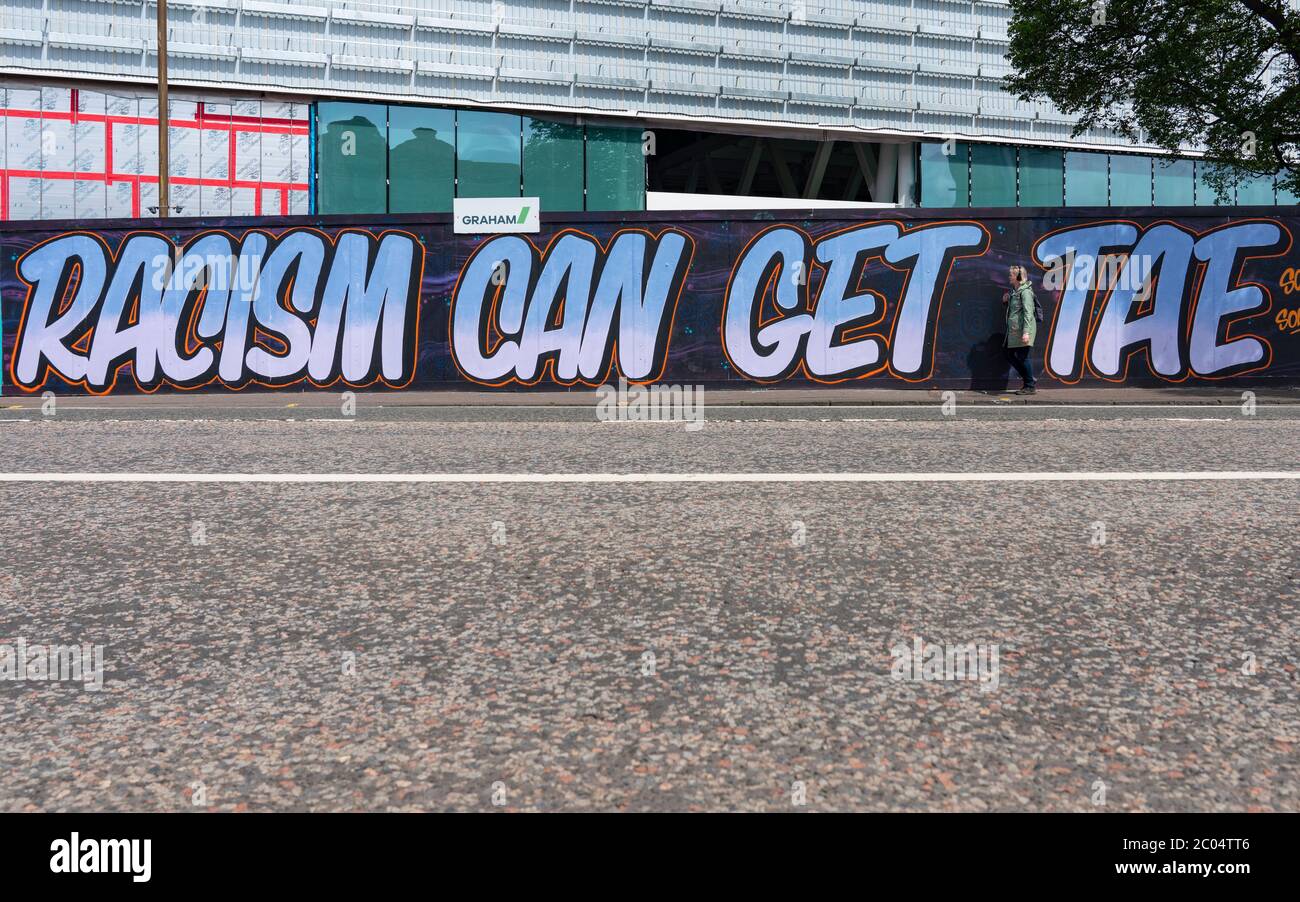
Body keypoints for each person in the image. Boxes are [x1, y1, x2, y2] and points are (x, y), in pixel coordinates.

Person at [1003, 265, 1037, 395]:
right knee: (1008, 354)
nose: (1009, 277)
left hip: (1023, 330)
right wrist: (1007, 299)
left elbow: (1029, 313)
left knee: (1023, 357)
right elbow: (1015, 309)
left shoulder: (1026, 292)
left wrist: (1026, 332)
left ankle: (1029, 385)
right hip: (1014, 330)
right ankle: (1029, 380)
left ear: (1018, 277)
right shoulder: (1014, 291)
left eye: (1011, 275)